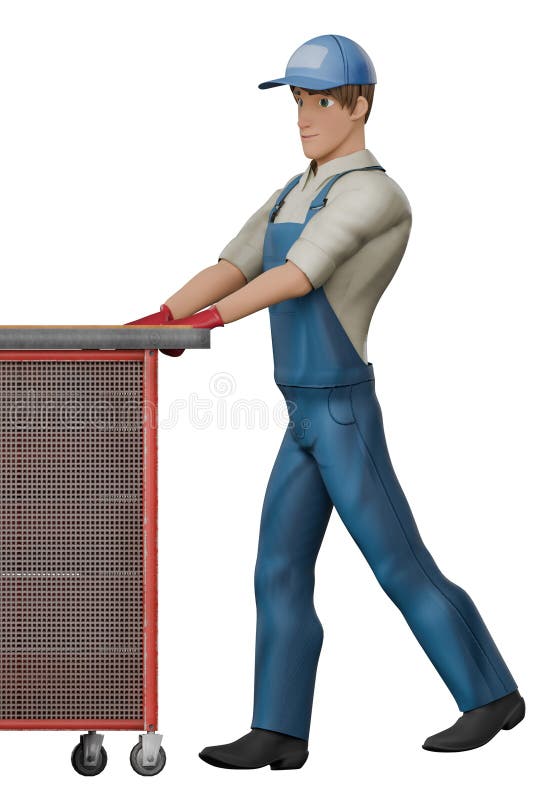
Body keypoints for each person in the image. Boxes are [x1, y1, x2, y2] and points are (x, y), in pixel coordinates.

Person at [127, 34, 524, 770]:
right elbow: (237, 262)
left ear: (360, 105)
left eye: (319, 101)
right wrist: (158, 318)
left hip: (342, 412)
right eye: (298, 101)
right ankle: (280, 727)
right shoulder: (292, 188)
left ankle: (491, 694)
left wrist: (204, 326)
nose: (303, 116)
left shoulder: (374, 193)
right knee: (277, 569)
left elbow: (299, 276)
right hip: (302, 416)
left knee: (399, 563)